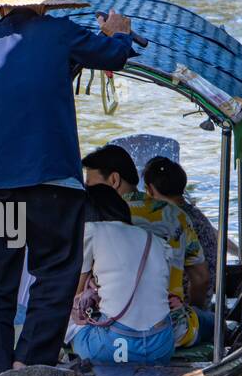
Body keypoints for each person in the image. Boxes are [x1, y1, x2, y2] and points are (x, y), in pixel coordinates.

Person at [0, 0, 135, 376]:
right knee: (55, 271)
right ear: (42, 7)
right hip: (51, 185)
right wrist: (119, 33)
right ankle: (29, 362)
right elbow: (112, 56)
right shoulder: (59, 34)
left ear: (1, 8)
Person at [81, 143, 211, 347]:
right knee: (210, 320)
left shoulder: (96, 222)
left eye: (90, 184)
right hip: (171, 331)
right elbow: (201, 278)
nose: (87, 191)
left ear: (114, 180)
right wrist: (193, 308)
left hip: (110, 329)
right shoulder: (176, 215)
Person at [68, 184, 173, 365]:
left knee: (65, 319)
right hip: (161, 345)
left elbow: (75, 293)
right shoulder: (155, 240)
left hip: (113, 347)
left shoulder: (92, 229)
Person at [142, 155, 220, 296]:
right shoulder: (195, 215)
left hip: (185, 304)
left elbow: (200, 279)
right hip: (205, 296)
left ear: (150, 190)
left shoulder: (170, 219)